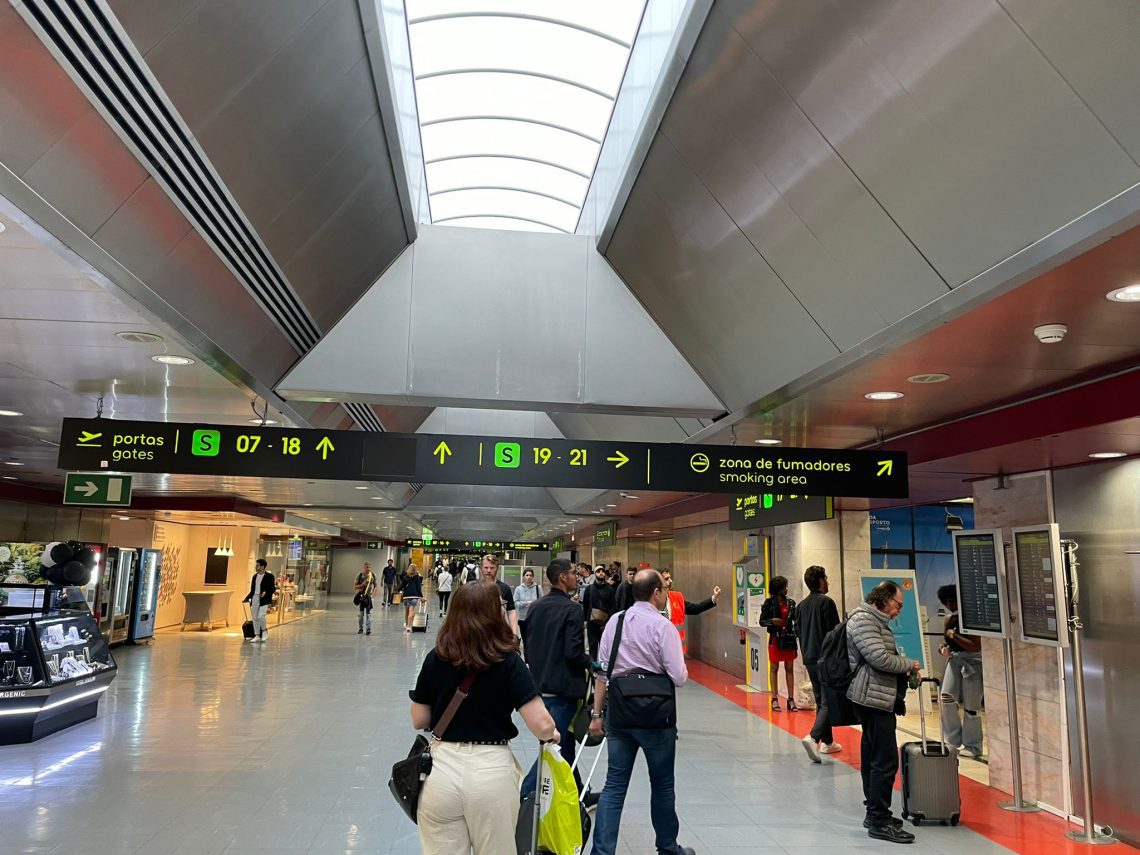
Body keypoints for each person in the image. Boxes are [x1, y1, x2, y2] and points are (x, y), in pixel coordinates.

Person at [409, 581, 558, 855]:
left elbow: (419, 718)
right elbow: (542, 725)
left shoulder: (437, 657)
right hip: (491, 772)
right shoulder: (509, 661)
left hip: (440, 772)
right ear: (492, 613)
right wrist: (552, 734)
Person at [587, 570, 695, 855]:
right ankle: (668, 848)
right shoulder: (663, 626)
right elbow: (679, 677)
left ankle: (602, 851)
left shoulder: (615, 622)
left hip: (621, 716)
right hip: (657, 719)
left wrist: (597, 715)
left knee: (614, 785)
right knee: (662, 785)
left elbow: (602, 672)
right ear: (656, 593)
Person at [847, 581, 922, 844]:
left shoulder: (874, 621)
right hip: (872, 698)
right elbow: (878, 658)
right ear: (883, 599)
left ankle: (874, 812)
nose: (899, 610)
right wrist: (909, 664)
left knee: (873, 756)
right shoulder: (865, 620)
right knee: (885, 759)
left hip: (876, 697)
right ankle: (878, 820)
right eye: (897, 604)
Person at [520, 558, 593, 801]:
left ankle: (579, 791)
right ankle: (524, 795)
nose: (577, 577)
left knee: (566, 742)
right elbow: (573, 653)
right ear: (562, 577)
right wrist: (592, 663)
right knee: (554, 746)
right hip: (564, 689)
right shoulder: (572, 609)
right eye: (573, 573)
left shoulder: (536, 607)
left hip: (541, 686)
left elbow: (528, 646)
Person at [798, 565, 842, 761]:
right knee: (828, 701)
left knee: (820, 698)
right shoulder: (827, 603)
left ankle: (828, 741)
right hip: (826, 659)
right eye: (826, 578)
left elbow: (799, 632)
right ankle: (813, 737)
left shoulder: (801, 606)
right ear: (820, 581)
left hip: (809, 658)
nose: (828, 582)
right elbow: (836, 633)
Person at [937, 584, 984, 758]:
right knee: (946, 697)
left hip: (973, 663)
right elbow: (947, 642)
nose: (950, 605)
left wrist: (953, 635)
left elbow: (975, 645)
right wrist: (943, 646)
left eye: (953, 601)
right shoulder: (949, 619)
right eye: (947, 602)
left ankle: (973, 745)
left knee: (971, 706)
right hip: (954, 660)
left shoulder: (973, 617)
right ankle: (952, 739)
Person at [759, 575, 799, 712]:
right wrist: (772, 621)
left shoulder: (791, 603)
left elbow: (796, 621)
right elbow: (762, 621)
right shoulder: (768, 603)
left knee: (789, 668)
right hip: (775, 639)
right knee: (774, 668)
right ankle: (774, 698)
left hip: (788, 639)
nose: (787, 589)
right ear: (778, 589)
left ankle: (790, 699)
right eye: (784, 587)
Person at [660, 569, 720, 655]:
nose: (670, 581)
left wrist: (713, 598)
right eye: (666, 579)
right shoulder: (650, 602)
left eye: (670, 578)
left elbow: (695, 609)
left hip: (675, 649)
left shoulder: (676, 597)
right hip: (658, 650)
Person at [481, 554, 519, 639]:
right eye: (486, 567)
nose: (489, 570)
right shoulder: (474, 588)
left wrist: (514, 633)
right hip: (479, 632)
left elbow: (511, 611)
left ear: (497, 569)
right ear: (481, 568)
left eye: (492, 568)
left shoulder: (504, 588)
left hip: (499, 633)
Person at [582, 564, 616, 659]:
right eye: (598, 571)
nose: (601, 573)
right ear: (595, 574)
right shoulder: (589, 589)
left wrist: (610, 621)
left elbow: (613, 606)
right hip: (592, 622)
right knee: (592, 646)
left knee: (604, 647)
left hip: (605, 622)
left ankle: (603, 667)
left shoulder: (610, 589)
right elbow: (585, 605)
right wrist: (585, 620)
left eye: (602, 571)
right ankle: (592, 668)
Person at [242, 558, 275, 644]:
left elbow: (272, 588)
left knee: (261, 616)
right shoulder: (255, 576)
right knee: (255, 617)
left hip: (264, 599)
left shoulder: (269, 576)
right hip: (255, 597)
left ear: (262, 566)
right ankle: (257, 634)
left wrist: (265, 592)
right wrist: (247, 598)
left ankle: (264, 631)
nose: (256, 567)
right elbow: (252, 590)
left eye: (257, 565)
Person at [513, 568, 541, 646]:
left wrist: (536, 604)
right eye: (527, 575)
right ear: (523, 576)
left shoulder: (538, 588)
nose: (529, 577)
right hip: (523, 618)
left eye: (530, 575)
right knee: (525, 641)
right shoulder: (518, 589)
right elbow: (515, 603)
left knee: (535, 640)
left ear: (533, 577)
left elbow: (542, 602)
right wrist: (526, 603)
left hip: (535, 618)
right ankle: (527, 656)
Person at [354, 562, 377, 635]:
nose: (368, 569)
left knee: (369, 613)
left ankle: (368, 629)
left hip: (369, 597)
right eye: (367, 567)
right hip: (361, 596)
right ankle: (360, 628)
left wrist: (373, 595)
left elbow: (375, 586)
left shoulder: (372, 575)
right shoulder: (360, 575)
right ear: (364, 568)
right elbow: (355, 587)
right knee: (361, 614)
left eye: (369, 567)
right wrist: (363, 585)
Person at [402, 564, 424, 633]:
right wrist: (421, 596)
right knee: (411, 611)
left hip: (406, 596)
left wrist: (397, 590)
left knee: (407, 611)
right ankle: (409, 626)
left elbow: (402, 585)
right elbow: (418, 588)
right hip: (414, 596)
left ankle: (406, 625)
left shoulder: (405, 577)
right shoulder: (417, 577)